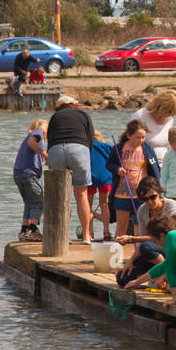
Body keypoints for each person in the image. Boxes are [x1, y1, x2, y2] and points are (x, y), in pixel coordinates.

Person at [46, 95, 94, 242]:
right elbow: (90, 137)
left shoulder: (54, 117)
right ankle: (86, 235)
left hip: (55, 150)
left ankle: (64, 236)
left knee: (61, 196)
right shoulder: (82, 114)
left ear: (59, 107)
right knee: (81, 194)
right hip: (78, 149)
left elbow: (49, 138)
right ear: (74, 105)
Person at [107, 119, 160, 237]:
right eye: (138, 137)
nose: (141, 140)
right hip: (122, 193)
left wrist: (158, 187)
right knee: (121, 227)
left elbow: (155, 168)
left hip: (142, 194)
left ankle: (140, 252)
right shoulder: (118, 148)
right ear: (129, 135)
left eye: (143, 137)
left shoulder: (147, 148)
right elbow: (109, 164)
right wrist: (117, 170)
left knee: (141, 226)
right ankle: (117, 253)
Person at [13, 118, 47, 241]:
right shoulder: (37, 133)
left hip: (18, 174)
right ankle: (32, 230)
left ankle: (24, 230)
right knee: (39, 202)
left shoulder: (28, 137)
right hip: (29, 175)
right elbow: (32, 143)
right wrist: (45, 154)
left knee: (29, 203)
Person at [131, 90, 176, 165]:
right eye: (169, 111)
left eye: (174, 113)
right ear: (160, 106)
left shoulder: (169, 119)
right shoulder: (140, 116)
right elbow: (130, 144)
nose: (171, 115)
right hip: (144, 164)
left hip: (165, 164)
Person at [88, 129, 114, 240]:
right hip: (106, 176)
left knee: (87, 206)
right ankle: (106, 231)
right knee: (104, 204)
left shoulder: (86, 146)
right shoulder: (106, 146)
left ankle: (89, 232)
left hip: (90, 176)